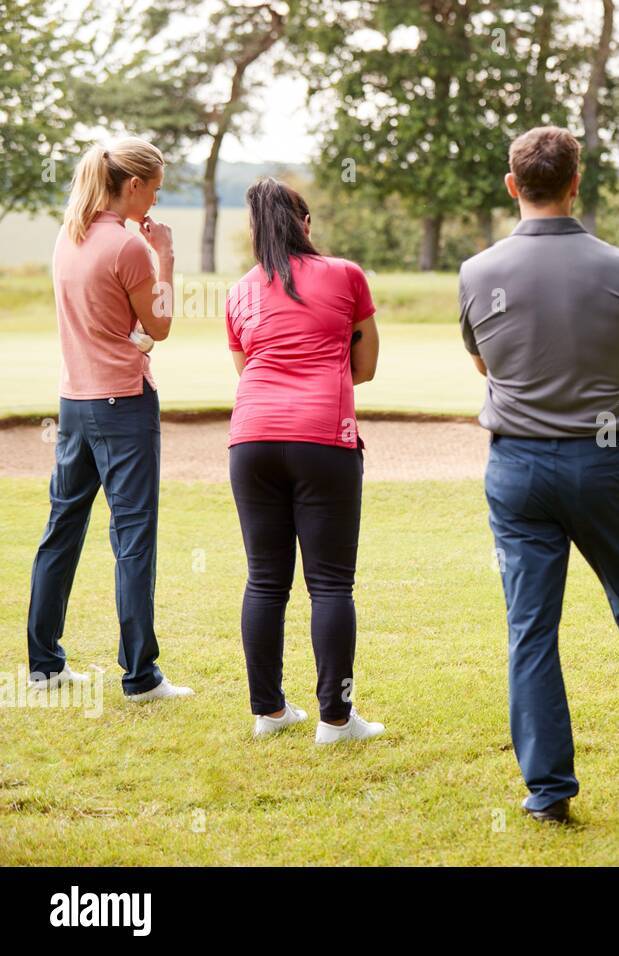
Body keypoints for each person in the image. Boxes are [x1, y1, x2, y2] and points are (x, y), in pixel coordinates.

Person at [459, 126, 619, 825]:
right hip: (603, 460)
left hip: (516, 466)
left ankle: (548, 792)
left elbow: (486, 366)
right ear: (577, 183)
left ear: (513, 186)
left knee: (531, 628)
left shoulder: (477, 272)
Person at [26, 137, 193, 703]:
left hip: (74, 403)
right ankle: (141, 677)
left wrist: (135, 333)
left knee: (61, 532)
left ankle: (44, 664)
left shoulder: (68, 237)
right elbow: (162, 324)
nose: (156, 201)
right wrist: (165, 255)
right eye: (155, 189)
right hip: (123, 403)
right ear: (134, 186)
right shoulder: (127, 247)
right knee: (133, 538)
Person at [224, 178, 383, 744]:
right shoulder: (346, 275)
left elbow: (247, 368)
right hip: (325, 438)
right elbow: (364, 367)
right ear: (305, 223)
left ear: (255, 231)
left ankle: (268, 712)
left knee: (265, 581)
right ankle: (336, 721)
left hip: (251, 439)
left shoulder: (239, 291)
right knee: (332, 586)